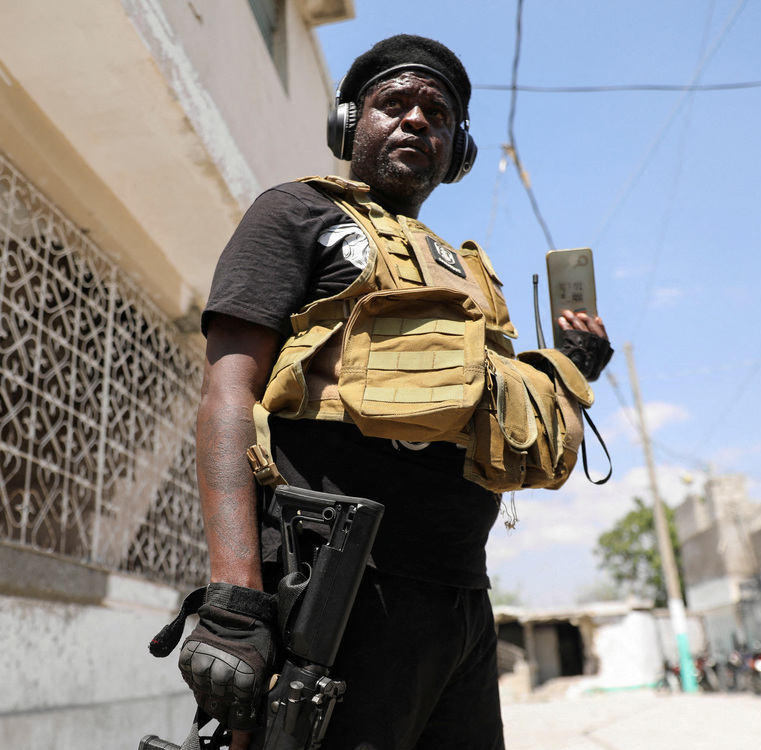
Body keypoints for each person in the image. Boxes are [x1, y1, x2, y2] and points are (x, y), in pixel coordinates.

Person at [183, 35, 610, 750]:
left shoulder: (468, 278)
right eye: (394, 104)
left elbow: (493, 411)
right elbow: (227, 396)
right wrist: (234, 600)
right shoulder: (298, 214)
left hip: (461, 603)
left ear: (458, 150)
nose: (416, 120)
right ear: (351, 125)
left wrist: (571, 364)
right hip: (338, 594)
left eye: (437, 113)